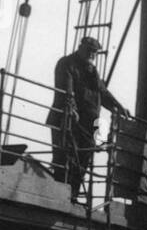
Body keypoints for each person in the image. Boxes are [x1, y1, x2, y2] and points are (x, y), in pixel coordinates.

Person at [45, 35, 127, 201]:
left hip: (88, 125)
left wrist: (118, 106)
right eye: (89, 51)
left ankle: (72, 194)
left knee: (83, 159)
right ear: (80, 48)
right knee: (65, 158)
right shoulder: (67, 63)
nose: (92, 55)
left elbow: (102, 92)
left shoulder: (92, 70)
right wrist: (72, 108)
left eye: (95, 52)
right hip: (68, 120)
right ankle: (62, 194)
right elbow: (66, 89)